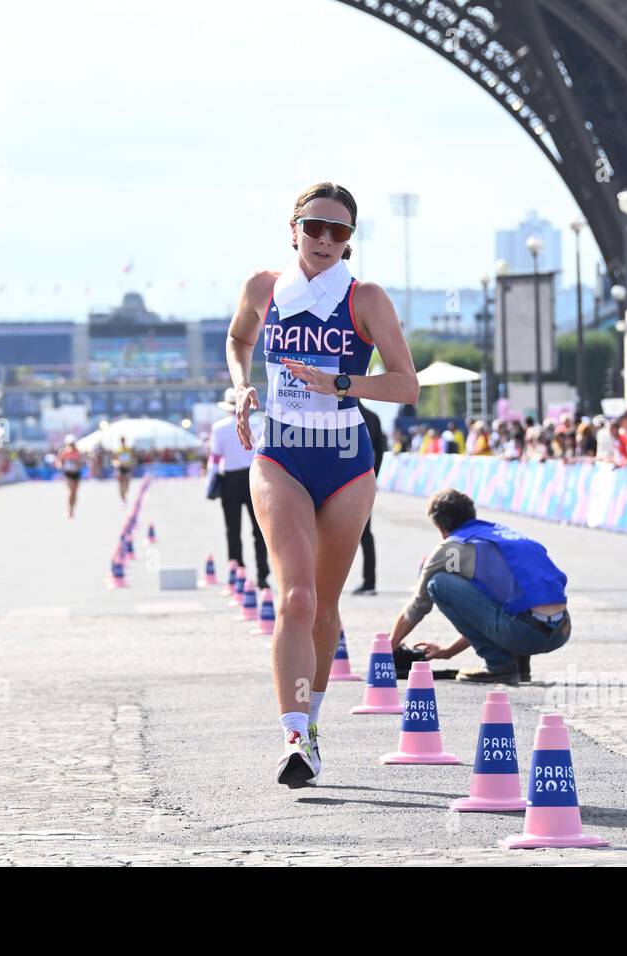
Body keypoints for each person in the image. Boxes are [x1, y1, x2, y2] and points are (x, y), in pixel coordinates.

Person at [225, 181, 418, 788]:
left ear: (351, 241)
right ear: (294, 229)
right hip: (281, 451)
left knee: (326, 606)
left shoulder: (366, 300)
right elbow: (237, 339)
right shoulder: (263, 288)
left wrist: (340, 385)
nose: (326, 240)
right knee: (296, 598)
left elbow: (406, 385)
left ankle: (311, 722)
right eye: (316, 227)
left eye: (340, 232)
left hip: (344, 456)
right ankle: (292, 736)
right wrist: (242, 384)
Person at [388, 489, 570, 686]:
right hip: (561, 630)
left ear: (439, 526)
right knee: (509, 599)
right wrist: (449, 651)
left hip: (524, 634)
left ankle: (500, 666)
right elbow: (483, 618)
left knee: (439, 583)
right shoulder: (504, 535)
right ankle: (518, 665)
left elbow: (417, 607)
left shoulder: (451, 547)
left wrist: (386, 649)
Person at [209, 387, 270, 589]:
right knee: (259, 529)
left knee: (232, 529)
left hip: (230, 480)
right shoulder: (258, 423)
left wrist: (211, 484)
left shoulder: (219, 428)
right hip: (254, 476)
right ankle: (262, 574)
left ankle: (237, 572)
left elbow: (214, 460)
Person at [353, 400, 386, 595]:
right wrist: (373, 476)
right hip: (365, 479)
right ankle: (370, 580)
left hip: (340, 478)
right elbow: (381, 452)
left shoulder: (342, 413)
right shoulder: (373, 417)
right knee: (366, 533)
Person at [53, 435, 84, 518]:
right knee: (71, 492)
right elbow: (58, 462)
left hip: (76, 473)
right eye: (70, 444)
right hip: (68, 473)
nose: (71, 445)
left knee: (75, 493)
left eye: (72, 444)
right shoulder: (64, 452)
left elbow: (81, 463)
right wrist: (60, 465)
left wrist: (77, 463)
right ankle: (69, 510)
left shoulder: (78, 452)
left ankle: (72, 508)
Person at [112, 436, 136, 504]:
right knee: (121, 483)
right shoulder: (118, 450)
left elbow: (132, 458)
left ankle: (124, 494)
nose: (122, 442)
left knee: (127, 484)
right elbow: (114, 459)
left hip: (127, 467)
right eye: (122, 440)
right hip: (120, 468)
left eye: (123, 440)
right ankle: (123, 498)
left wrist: (132, 465)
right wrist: (116, 464)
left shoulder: (129, 449)